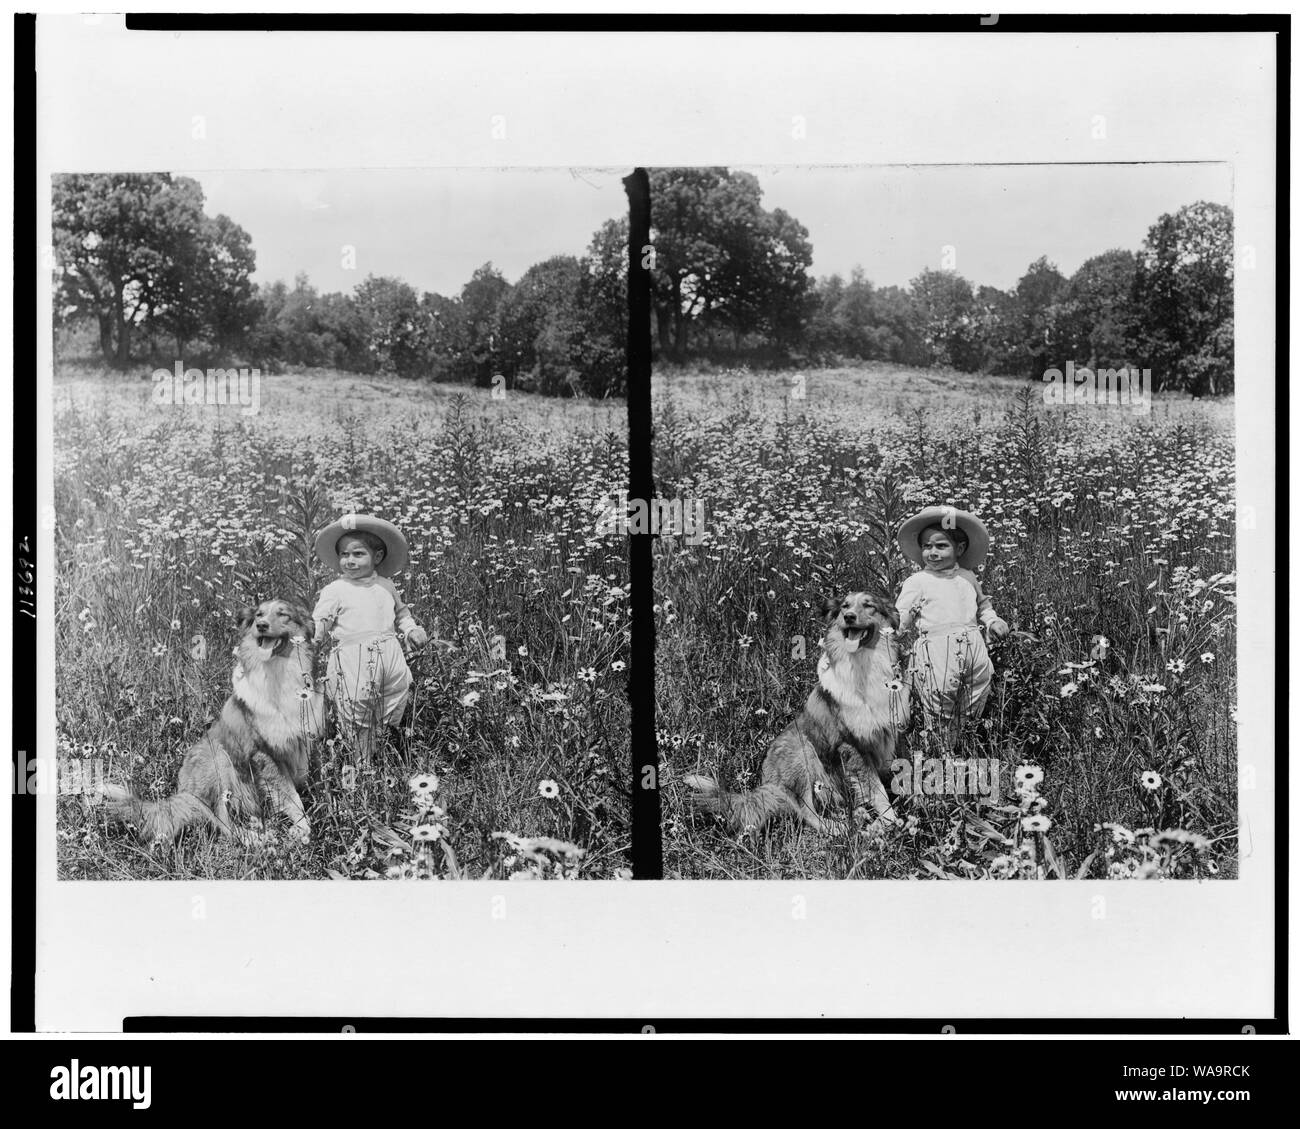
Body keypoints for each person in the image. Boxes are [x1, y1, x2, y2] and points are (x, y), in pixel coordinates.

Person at [312, 514, 428, 757]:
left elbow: (401, 613)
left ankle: (383, 746)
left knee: (396, 694)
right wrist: (313, 638)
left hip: (389, 653)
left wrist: (411, 630)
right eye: (344, 554)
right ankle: (361, 759)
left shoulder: (386, 585)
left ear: (377, 557)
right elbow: (321, 621)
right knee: (354, 706)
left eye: (358, 554)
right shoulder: (336, 590)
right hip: (353, 659)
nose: (349, 560)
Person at [895, 506, 1010, 744]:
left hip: (973, 644)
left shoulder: (967, 576)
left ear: (959, 549)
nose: (932, 552)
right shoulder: (918, 581)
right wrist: (892, 632)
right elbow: (902, 614)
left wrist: (992, 621)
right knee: (939, 696)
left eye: (941, 546)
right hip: (937, 649)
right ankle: (939, 745)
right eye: (927, 546)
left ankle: (962, 738)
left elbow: (983, 605)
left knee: (979, 686)